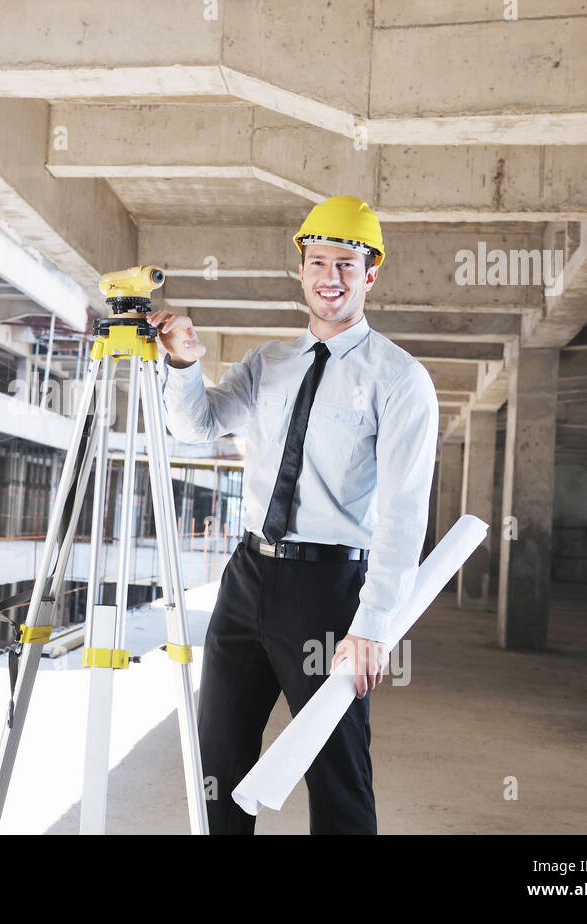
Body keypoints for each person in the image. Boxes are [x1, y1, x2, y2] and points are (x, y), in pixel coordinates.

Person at [149, 195, 439, 834]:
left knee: (336, 777)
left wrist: (373, 624)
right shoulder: (268, 362)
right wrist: (185, 362)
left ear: (372, 272)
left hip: (329, 593)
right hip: (247, 576)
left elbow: (402, 510)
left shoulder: (399, 379)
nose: (329, 276)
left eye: (345, 262)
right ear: (301, 269)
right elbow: (197, 425)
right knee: (218, 765)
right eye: (317, 261)